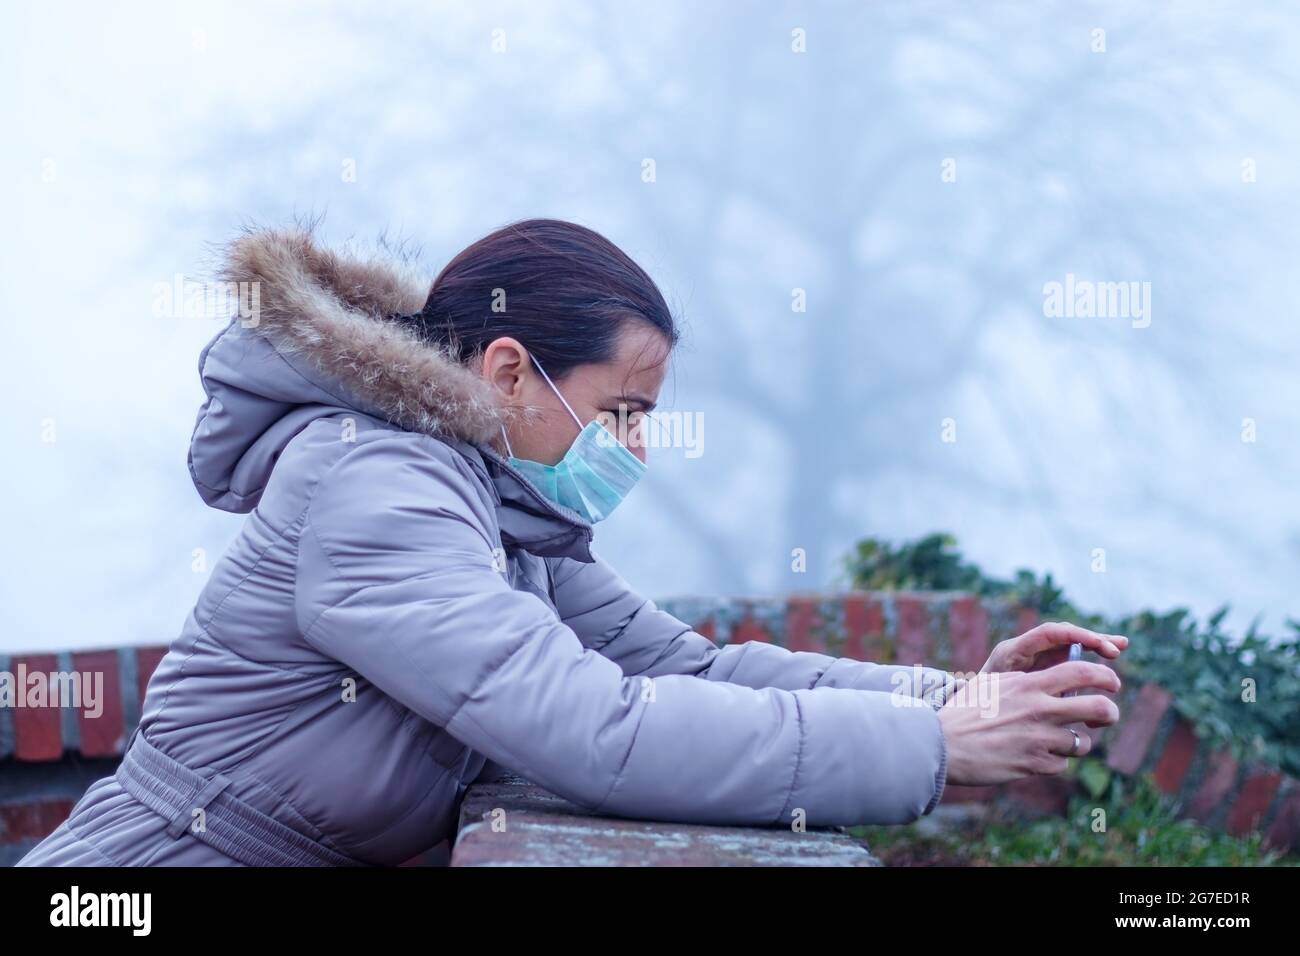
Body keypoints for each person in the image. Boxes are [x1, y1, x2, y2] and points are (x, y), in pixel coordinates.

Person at [17, 218, 1124, 867]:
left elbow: (684, 668)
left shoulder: (496, 506)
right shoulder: (378, 487)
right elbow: (596, 727)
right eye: (623, 412)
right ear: (507, 371)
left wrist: (946, 700)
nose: (638, 447)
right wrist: (935, 756)